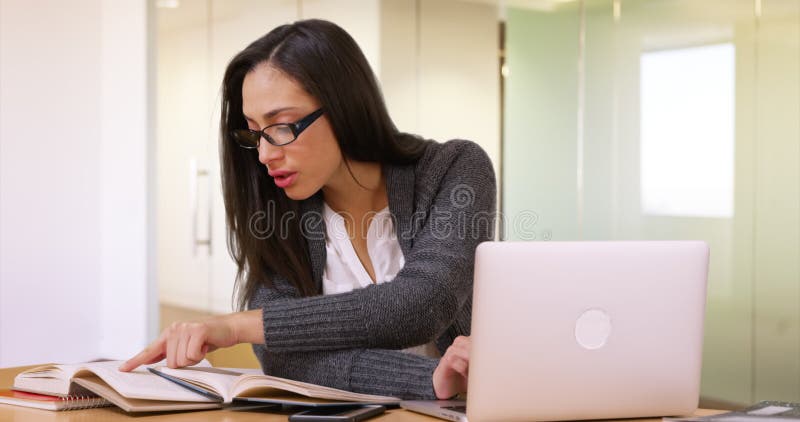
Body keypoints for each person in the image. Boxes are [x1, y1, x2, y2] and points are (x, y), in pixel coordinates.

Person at [120, 19, 495, 400]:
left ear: (344, 107)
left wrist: (237, 327)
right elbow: (281, 359)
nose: (265, 154)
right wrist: (429, 379)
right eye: (253, 131)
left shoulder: (455, 168)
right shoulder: (280, 208)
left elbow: (420, 305)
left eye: (282, 126)